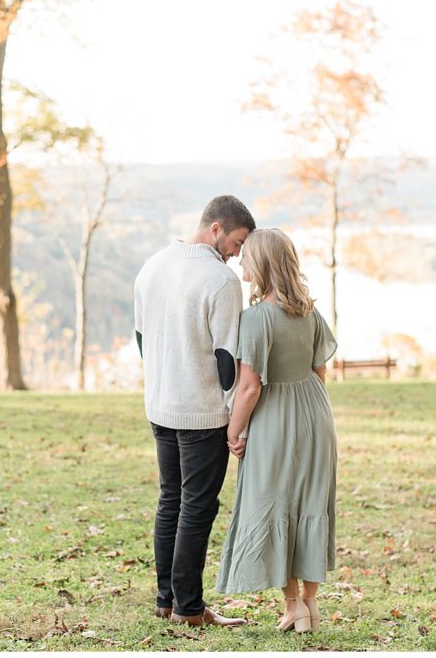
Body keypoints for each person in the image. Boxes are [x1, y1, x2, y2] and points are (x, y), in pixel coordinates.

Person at [133, 195, 256, 627]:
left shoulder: (152, 266)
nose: (237, 254)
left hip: (160, 405)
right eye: (237, 243)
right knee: (197, 507)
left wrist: (163, 384)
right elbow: (227, 361)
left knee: (171, 500)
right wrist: (235, 421)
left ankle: (167, 600)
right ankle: (188, 608)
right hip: (202, 413)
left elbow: (142, 340)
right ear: (216, 228)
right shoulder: (220, 280)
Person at [214, 228, 338, 634]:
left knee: (275, 504)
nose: (241, 261)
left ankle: (291, 605)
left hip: (275, 419)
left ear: (263, 264)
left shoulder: (255, 320)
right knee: (311, 503)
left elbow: (250, 387)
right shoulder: (310, 313)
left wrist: (233, 432)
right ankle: (310, 605)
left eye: (247, 255)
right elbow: (320, 372)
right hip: (316, 413)